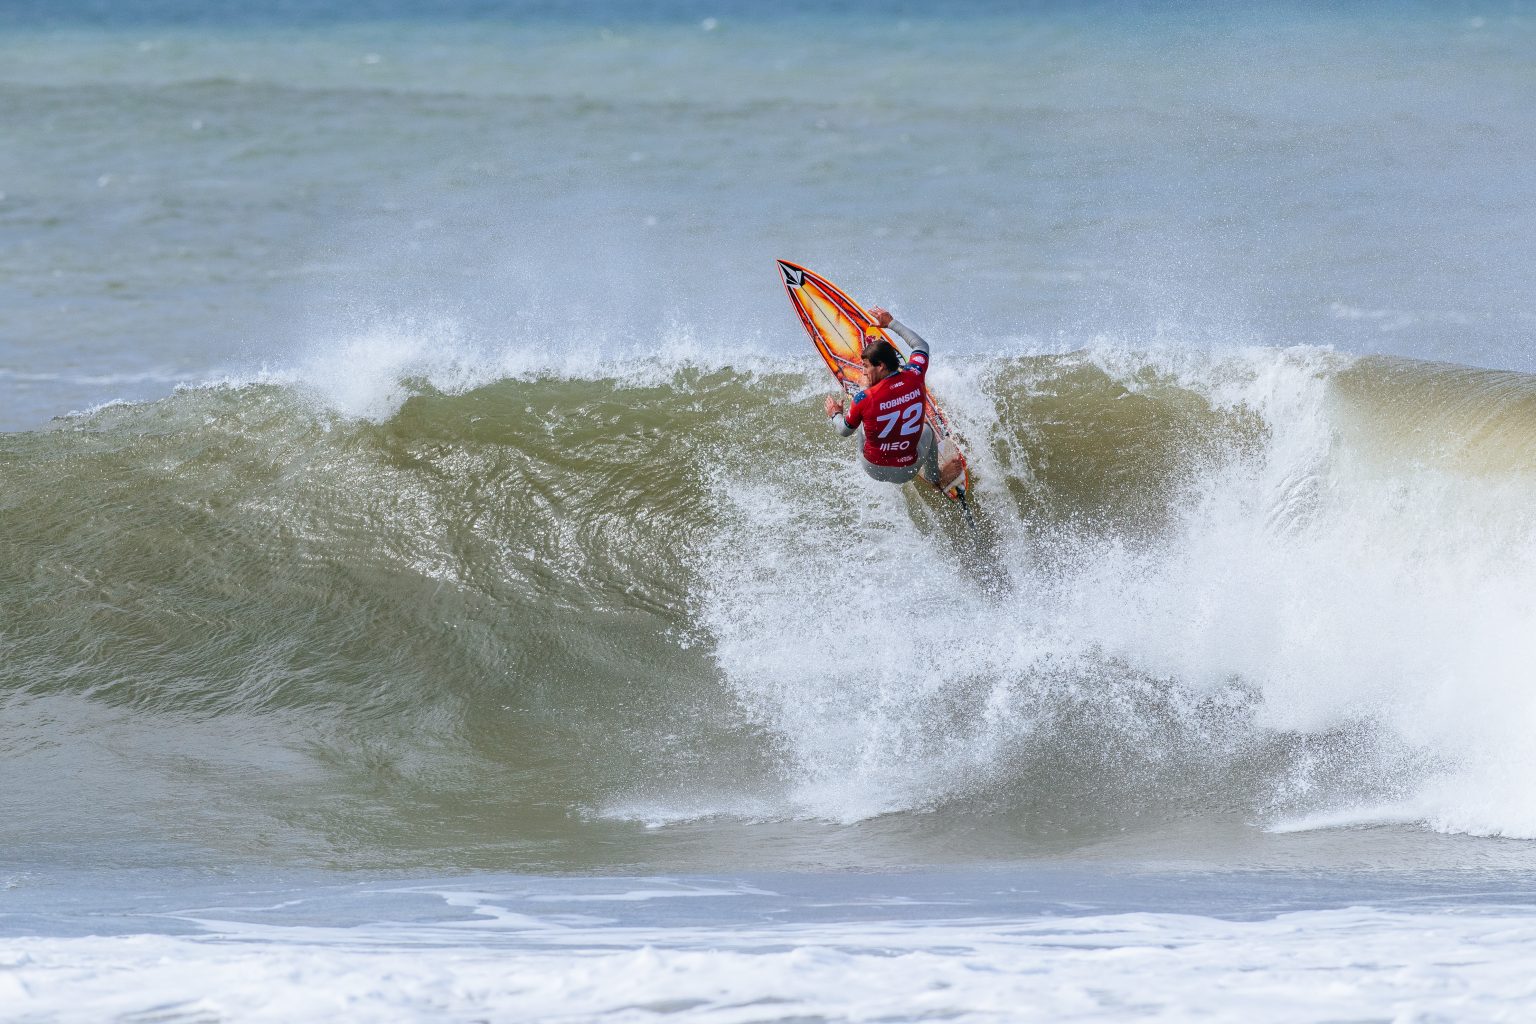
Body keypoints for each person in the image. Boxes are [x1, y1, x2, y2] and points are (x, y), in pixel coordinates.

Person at [823, 306, 963, 491]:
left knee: (861, 422)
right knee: (927, 430)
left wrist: (835, 414)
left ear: (880, 366)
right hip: (907, 469)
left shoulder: (863, 398)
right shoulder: (915, 374)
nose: (863, 371)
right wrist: (891, 323)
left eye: (865, 366)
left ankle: (933, 477)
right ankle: (934, 478)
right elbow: (921, 346)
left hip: (872, 468)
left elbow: (843, 431)